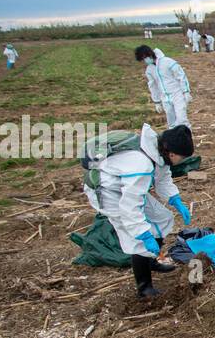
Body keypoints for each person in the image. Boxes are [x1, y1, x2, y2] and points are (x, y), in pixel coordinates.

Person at [83, 125, 195, 298]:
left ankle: (150, 260)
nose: (182, 161)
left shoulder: (158, 151)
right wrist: (142, 233)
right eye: (182, 157)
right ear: (172, 153)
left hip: (125, 187)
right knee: (137, 238)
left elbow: (163, 177)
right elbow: (130, 207)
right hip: (108, 193)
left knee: (162, 217)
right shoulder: (141, 164)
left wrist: (175, 199)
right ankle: (144, 287)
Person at [136, 45, 192, 129]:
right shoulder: (149, 70)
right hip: (165, 98)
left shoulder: (167, 62)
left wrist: (186, 91)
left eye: (144, 58)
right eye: (142, 59)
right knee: (171, 123)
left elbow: (181, 75)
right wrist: (157, 102)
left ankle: (187, 139)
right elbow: (153, 86)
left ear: (149, 54)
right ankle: (174, 141)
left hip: (177, 94)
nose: (145, 60)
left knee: (182, 119)